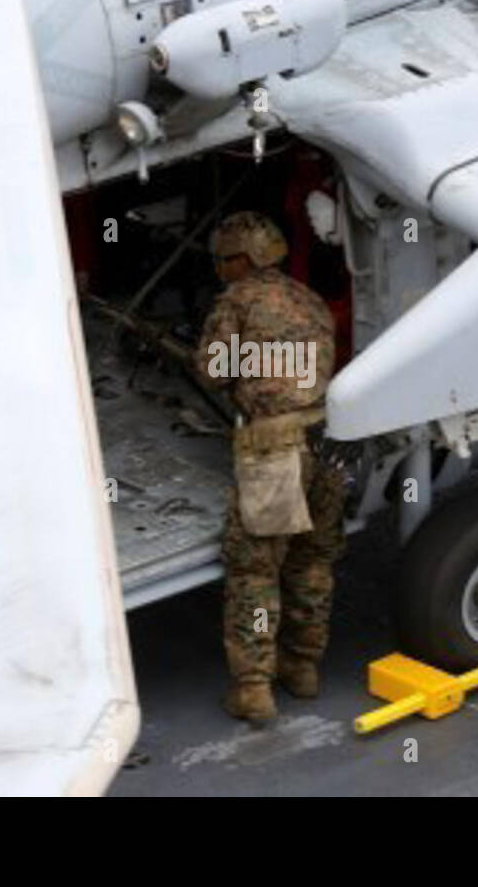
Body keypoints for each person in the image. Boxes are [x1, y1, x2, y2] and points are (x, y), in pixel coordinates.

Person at [194, 211, 345, 725]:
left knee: (256, 573)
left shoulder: (236, 301)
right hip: (328, 444)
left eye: (224, 260)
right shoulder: (309, 299)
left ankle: (255, 688)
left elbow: (214, 371)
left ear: (243, 259)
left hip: (276, 450)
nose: (220, 269)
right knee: (312, 562)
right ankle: (302, 667)